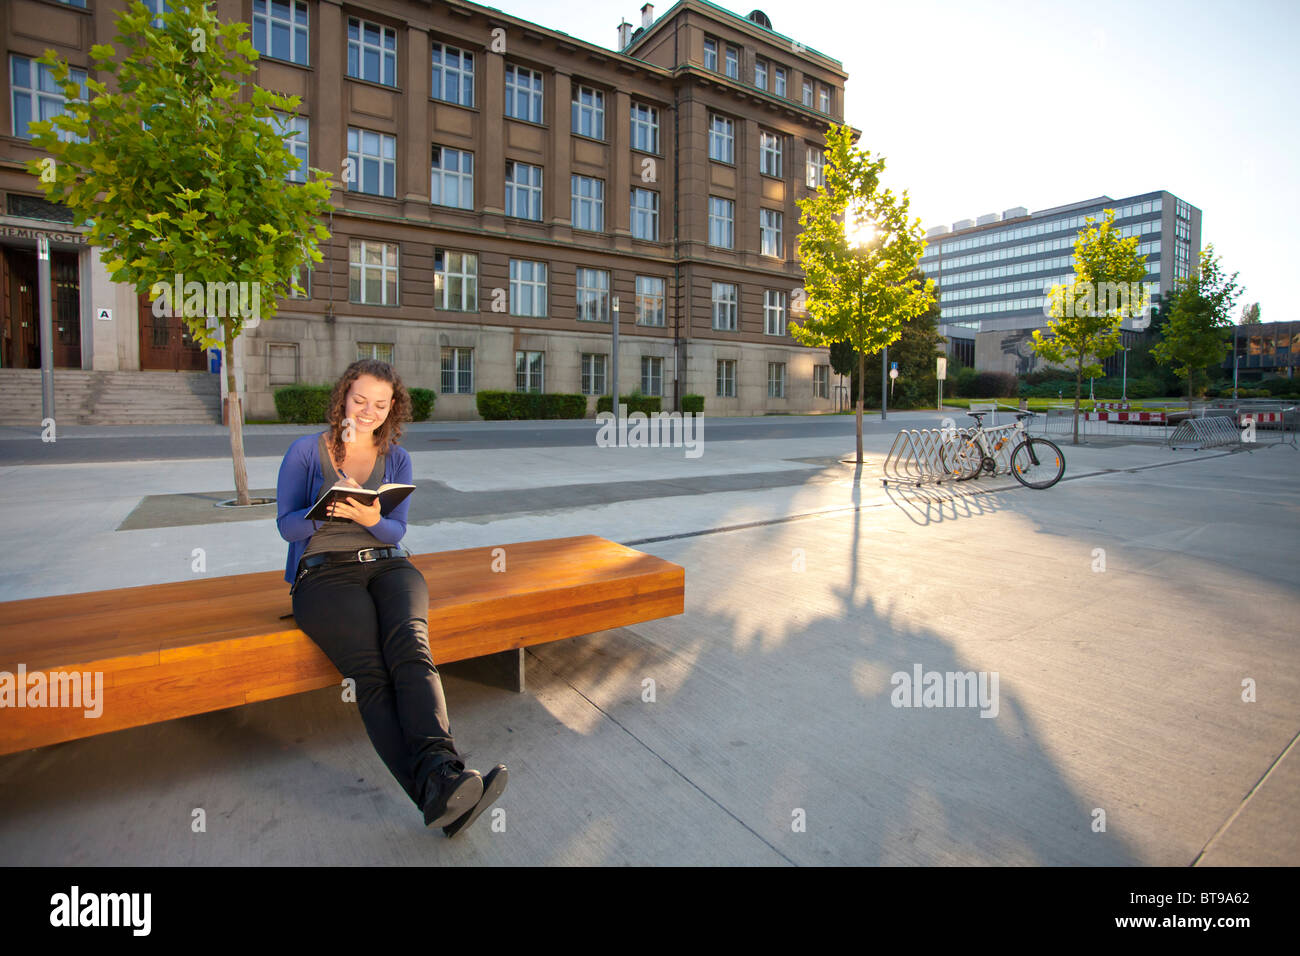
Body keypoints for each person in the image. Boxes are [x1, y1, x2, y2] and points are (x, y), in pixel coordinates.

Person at [275, 358, 506, 837]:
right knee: (372, 674)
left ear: (393, 407)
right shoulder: (305, 451)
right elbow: (285, 526)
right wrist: (328, 510)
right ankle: (441, 789)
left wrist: (367, 519)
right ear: (343, 397)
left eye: (381, 404)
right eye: (360, 400)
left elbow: (397, 528)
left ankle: (442, 775)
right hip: (323, 575)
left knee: (412, 652)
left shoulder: (396, 458)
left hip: (390, 565)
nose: (368, 411)